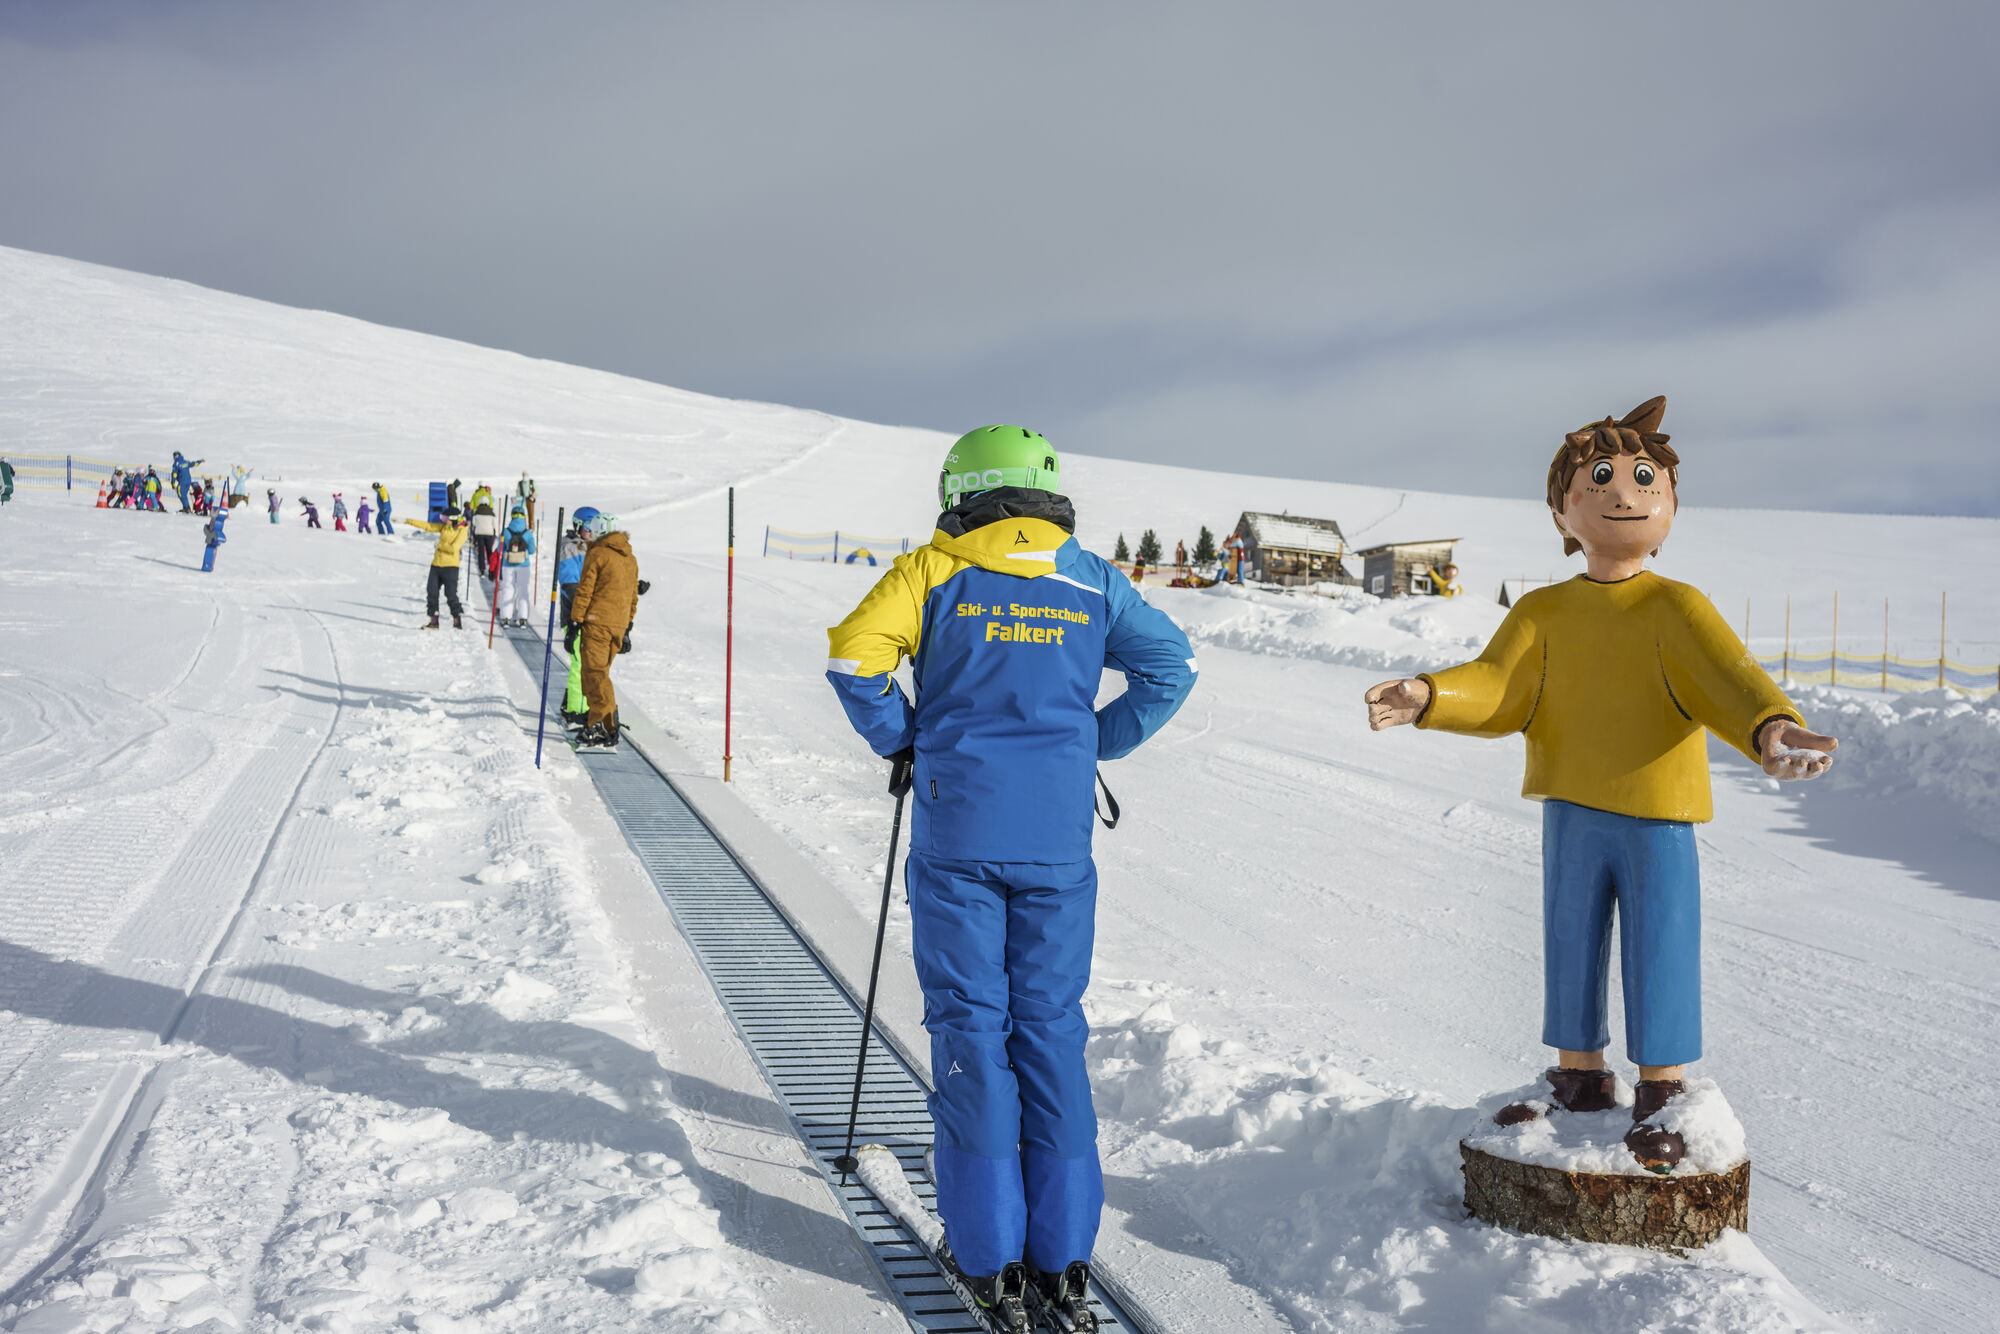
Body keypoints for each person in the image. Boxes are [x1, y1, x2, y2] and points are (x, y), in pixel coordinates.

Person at [1364, 397, 1840, 1173]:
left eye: (1645, 477)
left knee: (1662, 943)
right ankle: (1578, 1080)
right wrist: (1429, 695)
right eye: (1603, 477)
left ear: (1672, 503)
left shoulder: (1676, 606)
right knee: (1569, 940)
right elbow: (1498, 685)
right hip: (1572, 808)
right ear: (1563, 509)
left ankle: (1662, 1093)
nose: (1626, 493)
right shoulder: (1544, 612)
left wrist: (1772, 731)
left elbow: (1731, 680)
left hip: (1658, 812)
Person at [825, 425, 1197, 1324]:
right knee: (1050, 1029)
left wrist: (906, 736)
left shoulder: (931, 571)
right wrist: (1083, 746)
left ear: (963, 489)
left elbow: (854, 659)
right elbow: (1171, 667)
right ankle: (1064, 1257)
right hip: (1057, 846)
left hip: (957, 835)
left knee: (970, 1030)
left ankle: (988, 1254)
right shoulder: (1092, 579)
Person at [566, 512, 638, 748]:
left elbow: (585, 590)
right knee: (600, 675)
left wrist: (575, 622)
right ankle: (601, 722)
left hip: (597, 623)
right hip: (617, 625)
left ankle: (604, 726)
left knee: (594, 675)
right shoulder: (630, 558)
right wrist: (627, 626)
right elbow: (632, 596)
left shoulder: (597, 553)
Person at [556, 507, 597, 725]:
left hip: (592, 616)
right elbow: (570, 585)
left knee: (589, 663)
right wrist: (580, 615)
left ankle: (575, 703)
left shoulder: (595, 549)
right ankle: (575, 712)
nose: (592, 532)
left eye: (597, 527)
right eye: (589, 527)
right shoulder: (570, 548)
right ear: (578, 526)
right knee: (580, 663)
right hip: (575, 615)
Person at [402, 506, 471, 628]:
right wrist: (408, 520)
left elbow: (453, 548)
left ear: (453, 519)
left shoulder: (462, 530)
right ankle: (433, 620)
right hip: (436, 565)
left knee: (450, 594)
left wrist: (439, 546)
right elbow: (428, 526)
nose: (444, 520)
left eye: (446, 518)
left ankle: (456, 619)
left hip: (451, 567)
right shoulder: (445, 527)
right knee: (432, 592)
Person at [496, 512, 537, 627]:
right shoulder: (528, 533)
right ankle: (523, 618)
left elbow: (500, 548)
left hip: (507, 565)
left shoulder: (506, 531)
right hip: (524, 565)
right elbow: (533, 550)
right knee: (522, 591)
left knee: (508, 589)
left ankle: (506, 618)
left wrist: (507, 552)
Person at [469, 490, 499, 575]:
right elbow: (494, 524)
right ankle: (491, 568)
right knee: (489, 550)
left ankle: (482, 568)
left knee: (481, 551)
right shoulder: (491, 513)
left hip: (479, 533)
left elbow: (474, 523)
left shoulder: (476, 512)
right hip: (489, 533)